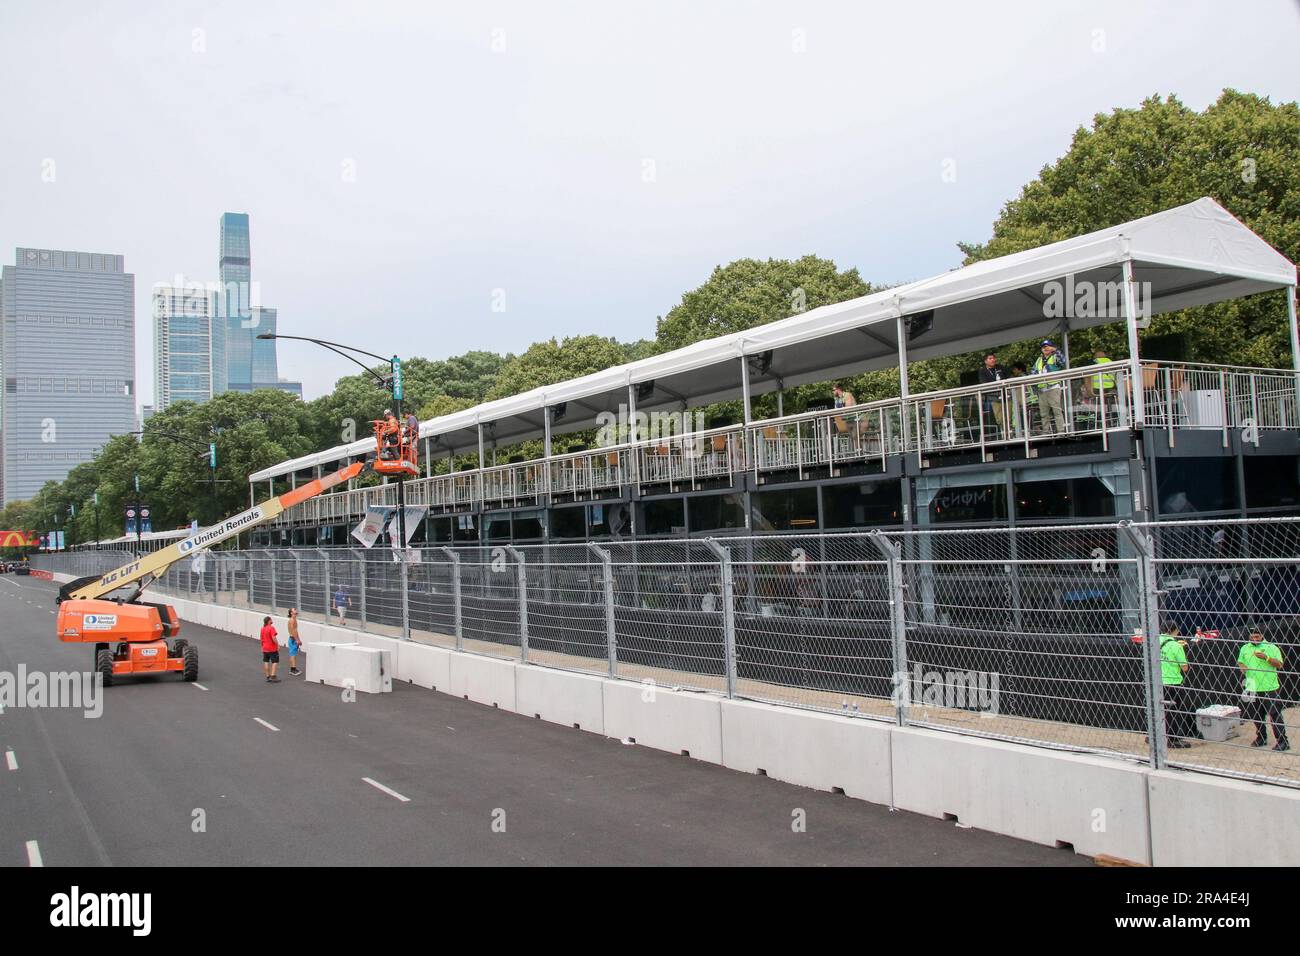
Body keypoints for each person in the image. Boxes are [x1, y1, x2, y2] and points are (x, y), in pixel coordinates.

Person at [1238, 630, 1288, 751]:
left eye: (1257, 636)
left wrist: (1266, 657)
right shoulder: (1245, 647)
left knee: (1274, 714)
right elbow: (1240, 661)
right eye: (1252, 636)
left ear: (1262, 636)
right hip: (1252, 685)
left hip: (1269, 686)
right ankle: (1261, 738)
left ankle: (1283, 741)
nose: (1254, 639)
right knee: (1256, 715)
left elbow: (1279, 664)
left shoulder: (1271, 647)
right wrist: (1242, 667)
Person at [1158, 624, 1193, 749]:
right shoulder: (1176, 645)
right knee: (1173, 711)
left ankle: (1154, 735)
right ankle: (1173, 739)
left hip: (1158, 680)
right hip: (1173, 681)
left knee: (1160, 709)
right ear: (1175, 631)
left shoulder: (1155, 640)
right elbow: (1184, 667)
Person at [1032, 340, 1068, 435]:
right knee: (1044, 414)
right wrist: (1035, 388)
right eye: (1043, 347)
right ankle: (1046, 432)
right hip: (1042, 390)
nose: (1045, 348)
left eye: (1047, 346)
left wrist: (1056, 350)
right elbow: (1033, 372)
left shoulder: (1055, 356)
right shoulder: (1039, 360)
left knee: (1057, 411)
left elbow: (1064, 362)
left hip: (1053, 387)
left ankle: (1060, 431)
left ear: (1052, 347)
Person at [976, 353, 1008, 439]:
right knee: (1000, 418)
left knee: (1009, 416)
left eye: (994, 358)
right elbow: (984, 383)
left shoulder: (1000, 367)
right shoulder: (982, 371)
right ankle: (1004, 434)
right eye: (990, 358)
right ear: (985, 361)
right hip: (994, 397)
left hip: (1006, 395)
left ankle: (1010, 433)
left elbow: (1007, 378)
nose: (993, 360)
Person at [1086, 347, 1118, 427]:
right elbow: (1117, 377)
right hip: (1110, 389)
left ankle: (1099, 423)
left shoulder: (1093, 362)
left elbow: (1088, 377)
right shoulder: (1111, 362)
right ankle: (1114, 421)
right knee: (1112, 405)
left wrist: (1089, 391)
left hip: (1097, 390)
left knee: (1099, 407)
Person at [260, 615, 281, 683]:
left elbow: (261, 639)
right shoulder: (271, 628)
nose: (272, 621)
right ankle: (273, 676)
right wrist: (277, 644)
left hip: (265, 648)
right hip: (272, 648)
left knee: (266, 661)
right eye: (271, 620)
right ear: (269, 621)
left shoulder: (262, 628)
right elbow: (273, 637)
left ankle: (268, 676)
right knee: (275, 661)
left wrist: (262, 646)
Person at [286, 607, 302, 676]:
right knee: (292, 655)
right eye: (294, 610)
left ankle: (294, 668)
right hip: (292, 639)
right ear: (291, 613)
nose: (296, 610)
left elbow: (296, 631)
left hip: (294, 638)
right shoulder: (292, 620)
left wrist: (299, 639)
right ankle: (292, 670)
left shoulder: (294, 619)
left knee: (294, 654)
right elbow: (293, 631)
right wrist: (296, 640)